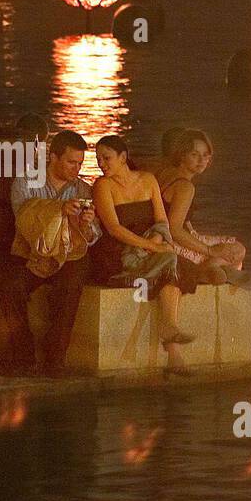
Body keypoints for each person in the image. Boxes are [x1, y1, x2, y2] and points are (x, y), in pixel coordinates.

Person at [0, 130, 100, 374]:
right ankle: (23, 355)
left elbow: (94, 237)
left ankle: (55, 358)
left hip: (67, 256)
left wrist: (86, 223)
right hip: (32, 254)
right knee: (9, 287)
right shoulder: (26, 181)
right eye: (71, 162)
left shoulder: (83, 190)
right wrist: (58, 210)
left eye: (80, 163)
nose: (76, 168)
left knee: (72, 283)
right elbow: (24, 221)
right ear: (53, 157)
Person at [91, 135, 192, 368]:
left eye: (106, 158)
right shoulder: (103, 186)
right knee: (170, 260)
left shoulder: (148, 180)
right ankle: (171, 341)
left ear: (123, 157)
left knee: (169, 264)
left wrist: (157, 238)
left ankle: (173, 349)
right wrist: (151, 246)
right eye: (98, 159)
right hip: (119, 251)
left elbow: (161, 219)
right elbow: (114, 228)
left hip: (150, 244)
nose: (101, 164)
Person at [155, 128, 251, 289]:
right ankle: (203, 272)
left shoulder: (166, 173)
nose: (201, 160)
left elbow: (172, 214)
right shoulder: (185, 186)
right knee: (238, 251)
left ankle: (218, 270)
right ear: (182, 155)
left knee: (233, 249)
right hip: (173, 244)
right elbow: (174, 229)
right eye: (195, 155)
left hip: (164, 237)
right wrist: (210, 250)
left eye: (206, 155)